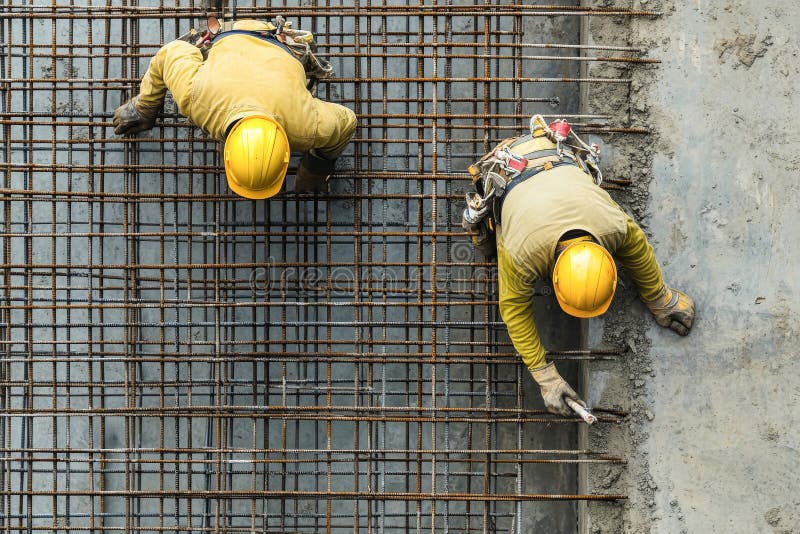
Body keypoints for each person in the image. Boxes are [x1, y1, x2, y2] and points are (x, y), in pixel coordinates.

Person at [464, 116, 695, 416]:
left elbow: (638, 248)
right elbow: (514, 309)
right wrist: (545, 376)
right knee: (488, 246)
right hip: (509, 167)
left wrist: (661, 298)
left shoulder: (613, 227)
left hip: (550, 152)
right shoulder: (523, 255)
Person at [113, 18, 357, 198]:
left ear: (227, 153)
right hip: (259, 38)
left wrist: (145, 107)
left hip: (261, 39)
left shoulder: (307, 127)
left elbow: (172, 53)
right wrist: (315, 167)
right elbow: (346, 121)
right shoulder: (307, 127)